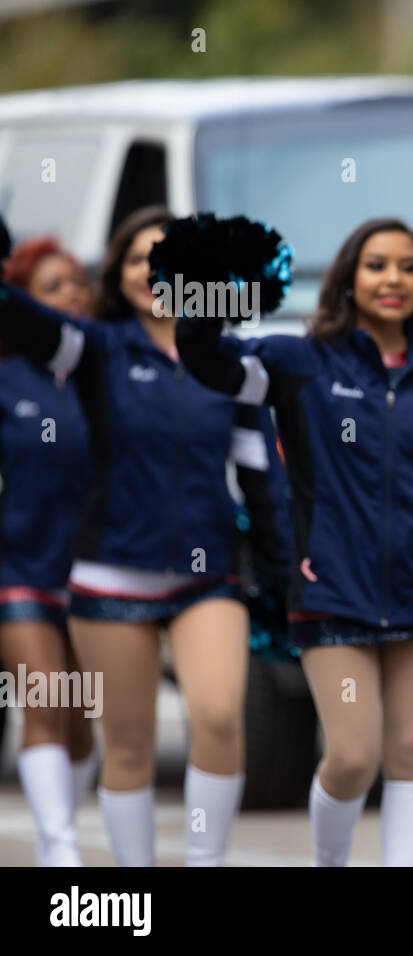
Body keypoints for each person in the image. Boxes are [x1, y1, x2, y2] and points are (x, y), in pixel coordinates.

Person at [173, 218, 413, 866]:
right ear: (349, 278)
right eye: (376, 265)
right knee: (351, 756)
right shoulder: (299, 362)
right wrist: (211, 292)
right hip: (329, 591)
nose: (392, 279)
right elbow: (212, 364)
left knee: (409, 753)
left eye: (407, 267)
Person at [0, 206, 284, 866]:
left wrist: (288, 567)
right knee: (127, 746)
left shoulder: (229, 359)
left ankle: (206, 860)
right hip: (110, 575)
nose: (152, 270)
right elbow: (25, 322)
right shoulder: (97, 349)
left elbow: (261, 474)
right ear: (119, 276)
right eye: (135, 258)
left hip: (207, 575)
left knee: (217, 716)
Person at [0, 237, 97, 865]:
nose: (71, 296)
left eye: (77, 284)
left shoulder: (105, 373)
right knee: (44, 702)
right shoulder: (6, 377)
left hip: (93, 571)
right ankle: (62, 855)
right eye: (53, 287)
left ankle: (56, 838)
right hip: (18, 567)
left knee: (82, 728)